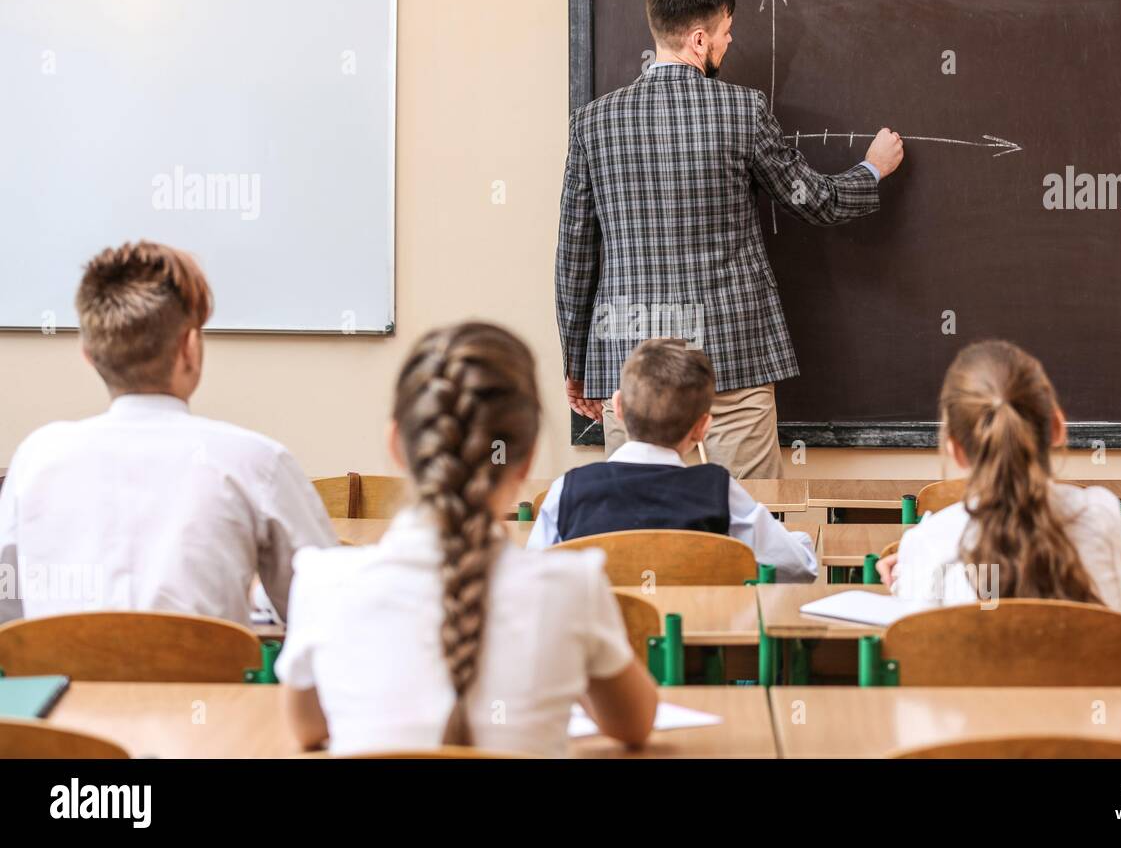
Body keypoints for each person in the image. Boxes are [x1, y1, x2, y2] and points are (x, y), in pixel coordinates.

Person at [557, 0, 904, 478]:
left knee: (642, 525)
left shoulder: (593, 123)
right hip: (730, 362)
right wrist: (873, 168)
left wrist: (576, 362)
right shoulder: (742, 110)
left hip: (628, 368)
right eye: (725, 31)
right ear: (699, 41)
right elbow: (814, 201)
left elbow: (575, 255)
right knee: (747, 527)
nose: (729, 40)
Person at [276, 323, 658, 756]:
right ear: (527, 456)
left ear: (397, 445)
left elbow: (306, 730)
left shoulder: (323, 582)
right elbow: (634, 724)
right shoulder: (572, 587)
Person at [0, 241, 335, 625]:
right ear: (190, 348)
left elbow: (9, 616)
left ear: (89, 354)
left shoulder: (36, 458)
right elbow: (330, 616)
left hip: (66, 684)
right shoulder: (257, 463)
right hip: (208, 685)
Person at [528, 338, 817, 581]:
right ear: (703, 427)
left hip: (599, 647)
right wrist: (800, 541)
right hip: (693, 643)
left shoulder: (568, 489)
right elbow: (801, 568)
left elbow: (532, 579)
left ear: (617, 407)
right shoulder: (719, 492)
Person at [879, 340, 1121, 609]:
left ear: (955, 449)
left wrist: (910, 570)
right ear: (1057, 428)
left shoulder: (927, 544)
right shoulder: (1101, 516)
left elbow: (917, 633)